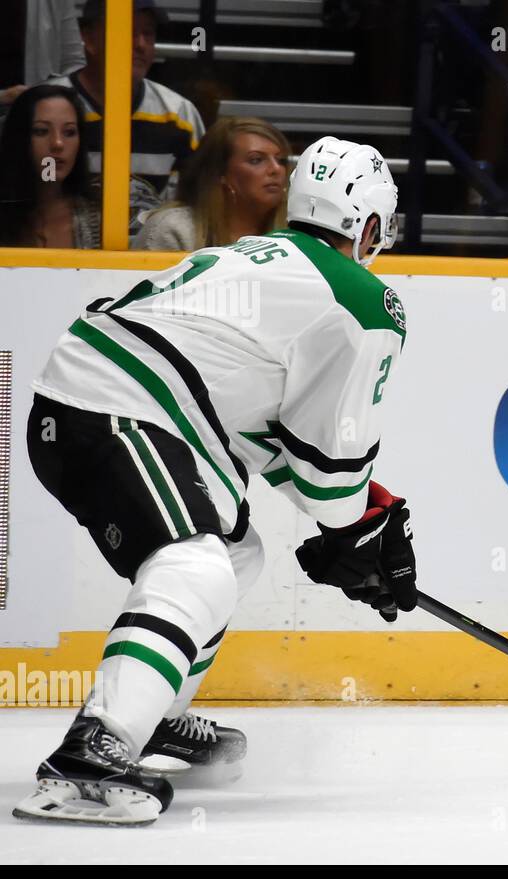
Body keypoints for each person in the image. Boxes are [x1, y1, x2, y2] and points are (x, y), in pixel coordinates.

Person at [15, 136, 417, 827]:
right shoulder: (361, 296)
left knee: (236, 551)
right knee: (195, 566)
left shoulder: (254, 262)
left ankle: (151, 714)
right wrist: (356, 531)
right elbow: (330, 476)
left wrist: (360, 523)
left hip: (94, 401)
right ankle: (90, 757)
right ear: (371, 224)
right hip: (116, 404)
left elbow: (267, 437)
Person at [49, 0, 205, 204]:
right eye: (127, 31)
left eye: (148, 34)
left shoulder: (179, 115)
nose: (140, 44)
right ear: (89, 39)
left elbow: (201, 201)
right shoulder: (47, 108)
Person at [133, 117, 289, 251]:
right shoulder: (173, 230)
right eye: (256, 160)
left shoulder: (296, 233)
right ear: (220, 173)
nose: (276, 169)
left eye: (281, 160)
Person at [0, 85, 99, 248]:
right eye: (41, 131)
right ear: (19, 139)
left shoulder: (101, 220)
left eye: (69, 132)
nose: (57, 144)